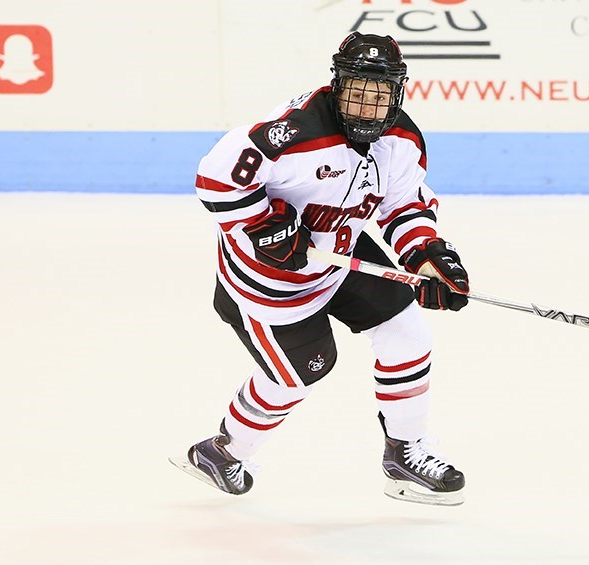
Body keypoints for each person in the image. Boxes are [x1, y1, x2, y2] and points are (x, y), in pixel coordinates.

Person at [173, 32, 471, 506]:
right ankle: (223, 451)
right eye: (356, 90)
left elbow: (401, 205)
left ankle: (404, 454)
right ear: (337, 84)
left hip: (339, 255)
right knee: (298, 375)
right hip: (268, 282)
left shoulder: (401, 139)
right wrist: (266, 225)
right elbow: (216, 179)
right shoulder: (293, 132)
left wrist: (426, 255)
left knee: (409, 335)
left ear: (397, 92)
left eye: (380, 95)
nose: (367, 106)